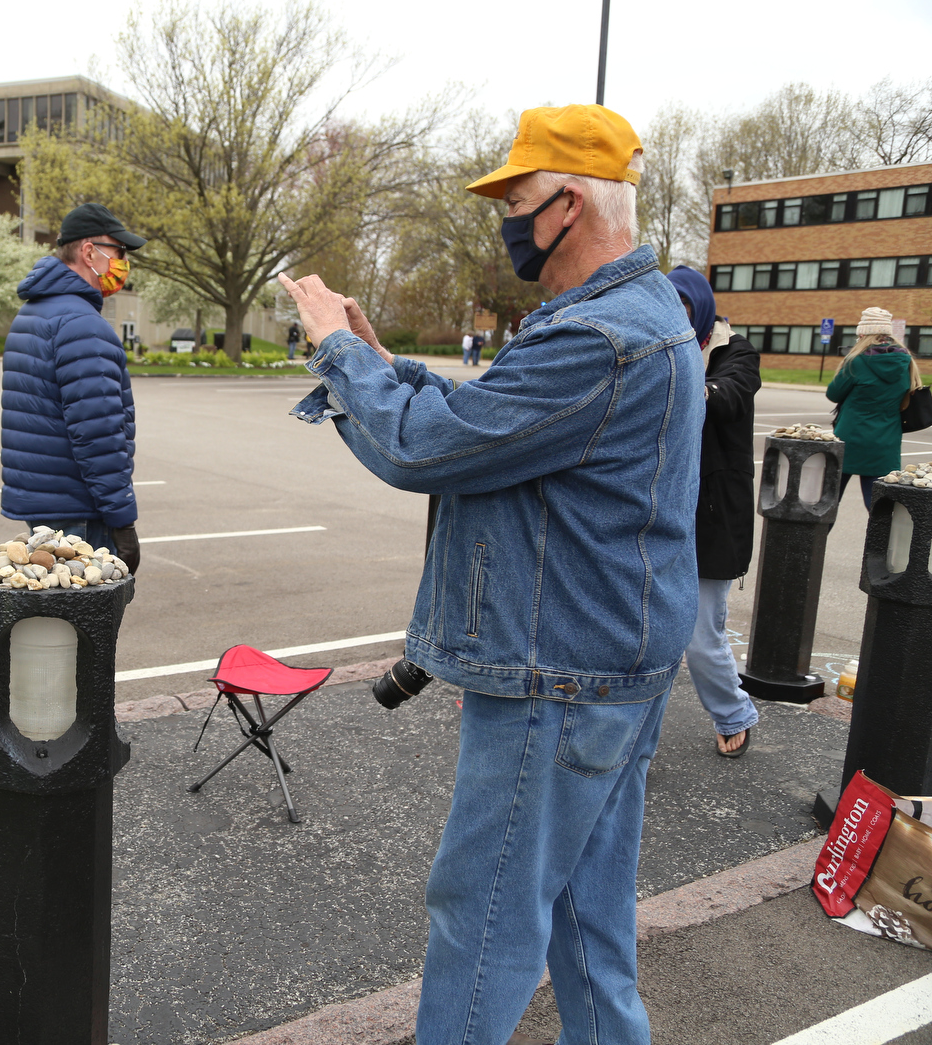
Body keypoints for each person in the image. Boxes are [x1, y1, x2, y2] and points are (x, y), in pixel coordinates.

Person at [279, 103, 700, 1045]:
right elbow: (499, 426)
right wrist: (386, 364)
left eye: (516, 201)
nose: (505, 220)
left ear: (571, 205)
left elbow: (426, 453)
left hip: (557, 676)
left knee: (483, 921)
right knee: (589, 928)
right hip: (611, 670)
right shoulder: (636, 314)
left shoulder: (596, 337)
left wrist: (338, 352)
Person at [0, 201, 145, 570]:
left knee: (60, 620)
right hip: (79, 507)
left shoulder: (36, 311)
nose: (123, 262)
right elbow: (97, 431)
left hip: (47, 500)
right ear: (88, 251)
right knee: (86, 622)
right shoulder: (80, 324)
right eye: (119, 251)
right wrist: (122, 520)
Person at [667, 264, 761, 759]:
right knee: (648, 633)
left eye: (684, 309)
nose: (676, 320)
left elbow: (730, 395)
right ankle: (630, 740)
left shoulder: (735, 351)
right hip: (659, 509)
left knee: (702, 638)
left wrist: (689, 387)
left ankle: (734, 713)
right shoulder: (657, 345)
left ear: (700, 308)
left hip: (713, 513)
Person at [827, 307, 915, 510]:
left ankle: (812, 542)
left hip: (850, 439)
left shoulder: (857, 361)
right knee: (880, 509)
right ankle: (883, 543)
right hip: (885, 442)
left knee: (827, 503)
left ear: (862, 333)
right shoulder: (906, 362)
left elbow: (833, 394)